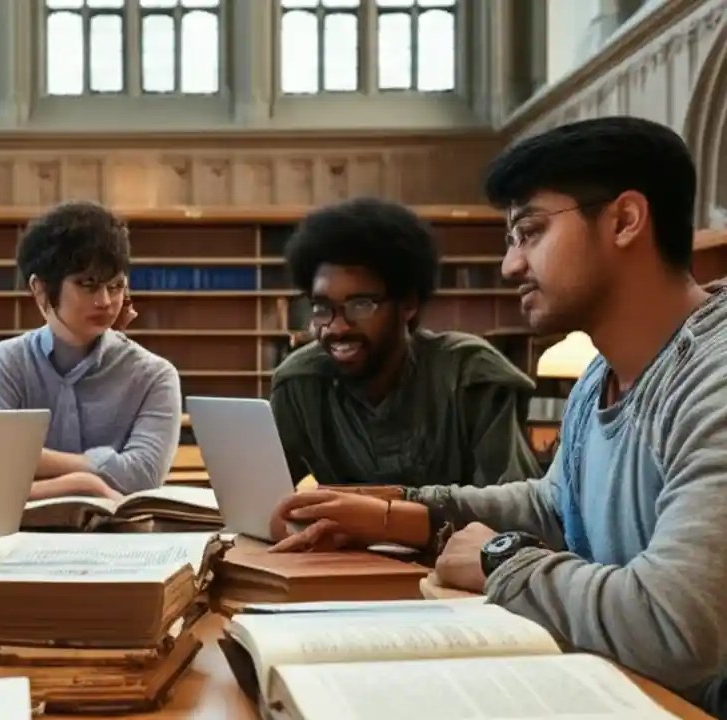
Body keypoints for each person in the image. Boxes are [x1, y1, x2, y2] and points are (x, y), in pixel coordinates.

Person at [268, 116, 727, 716]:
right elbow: (553, 507)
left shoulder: (714, 377)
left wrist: (499, 559)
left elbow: (675, 624)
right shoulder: (600, 377)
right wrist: (396, 513)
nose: (510, 265)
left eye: (530, 232)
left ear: (625, 220)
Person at [270, 197, 539, 487]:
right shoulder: (300, 383)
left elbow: (514, 503)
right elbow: (262, 491)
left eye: (360, 305)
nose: (336, 327)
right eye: (322, 307)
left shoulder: (470, 376)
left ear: (408, 303)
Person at [0, 201, 180, 500]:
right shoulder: (7, 363)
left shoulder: (154, 375)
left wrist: (36, 463)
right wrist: (86, 483)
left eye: (116, 286)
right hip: (24, 529)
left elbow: (143, 476)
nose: (105, 301)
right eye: (88, 285)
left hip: (120, 530)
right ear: (40, 289)